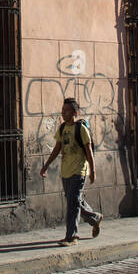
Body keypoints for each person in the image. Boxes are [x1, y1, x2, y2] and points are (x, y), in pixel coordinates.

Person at [40, 97, 102, 245]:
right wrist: (46, 165)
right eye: (62, 110)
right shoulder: (62, 128)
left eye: (66, 111)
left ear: (75, 113)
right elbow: (57, 148)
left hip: (79, 171)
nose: (63, 113)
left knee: (72, 204)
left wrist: (92, 171)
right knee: (74, 200)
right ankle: (94, 217)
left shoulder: (81, 129)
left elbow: (89, 151)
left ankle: (72, 236)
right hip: (66, 170)